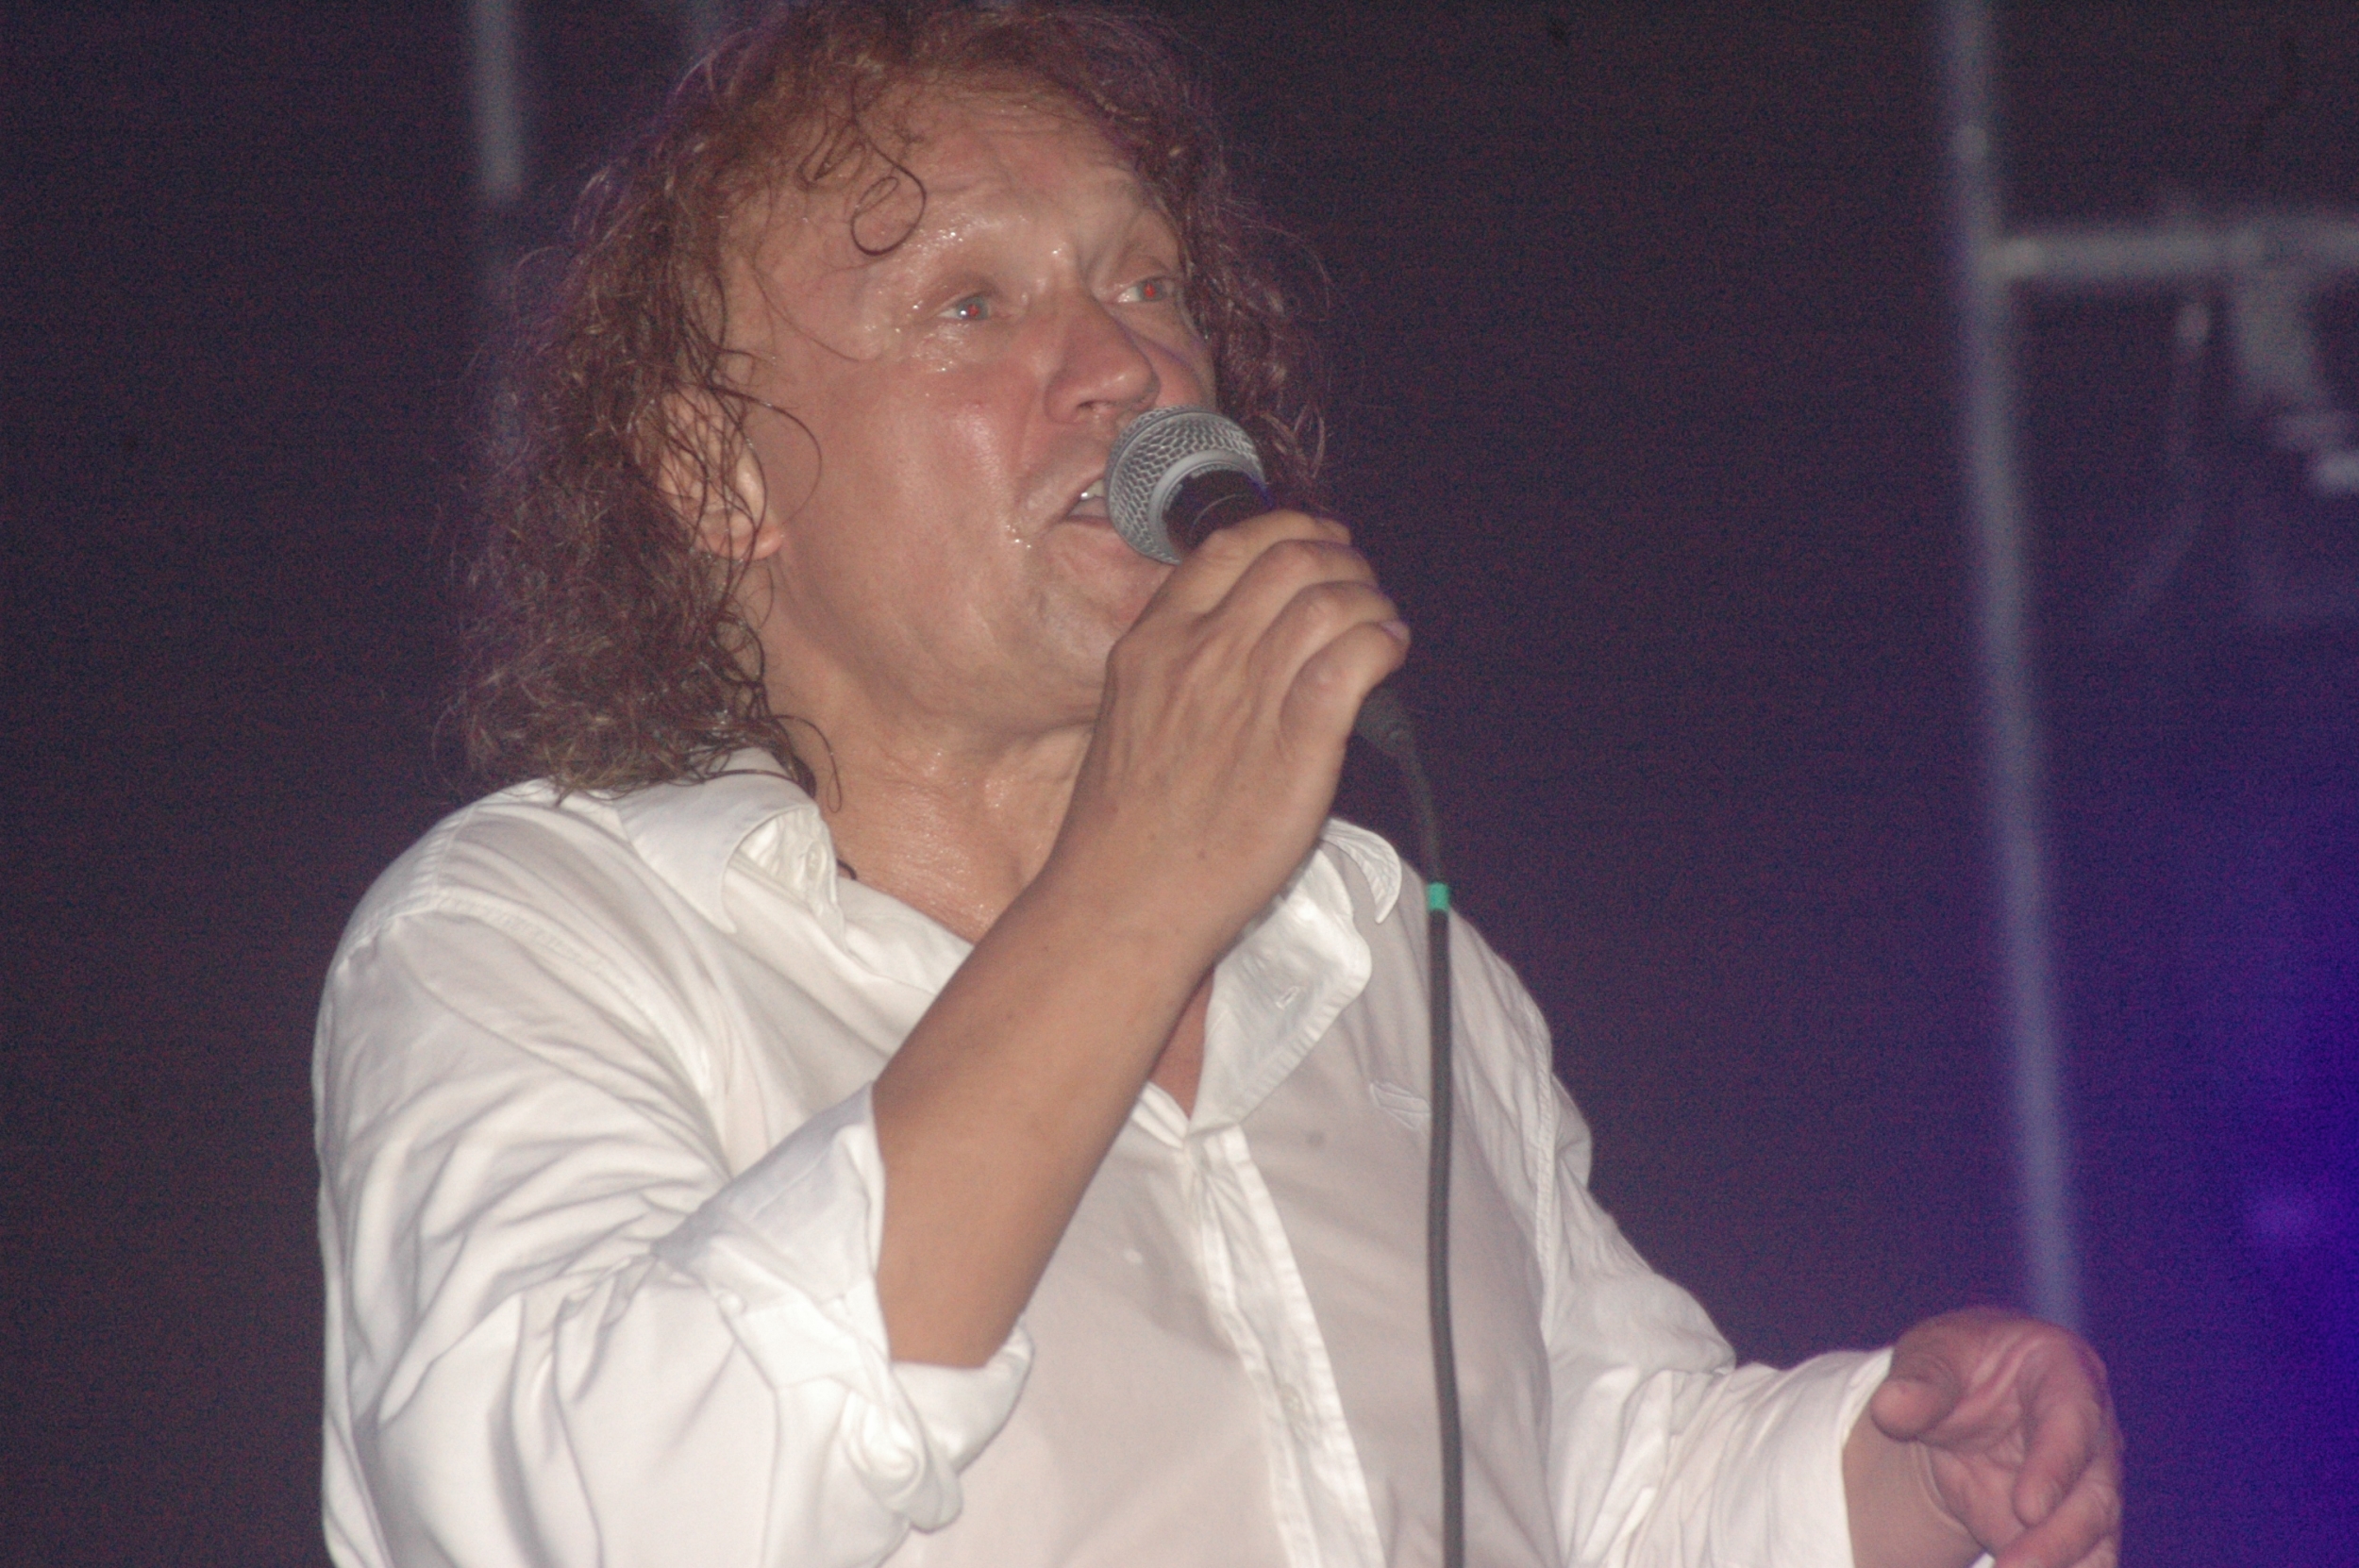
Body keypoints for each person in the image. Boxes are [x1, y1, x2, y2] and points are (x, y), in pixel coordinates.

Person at [313, 3, 2122, 1565]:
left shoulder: (1373, 953)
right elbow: (612, 1508)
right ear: (717, 474)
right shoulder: (529, 942)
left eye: (1148, 283)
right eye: (971, 303)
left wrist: (1887, 1477)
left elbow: (1593, 1472)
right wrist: (1131, 900)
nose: (1126, 365)